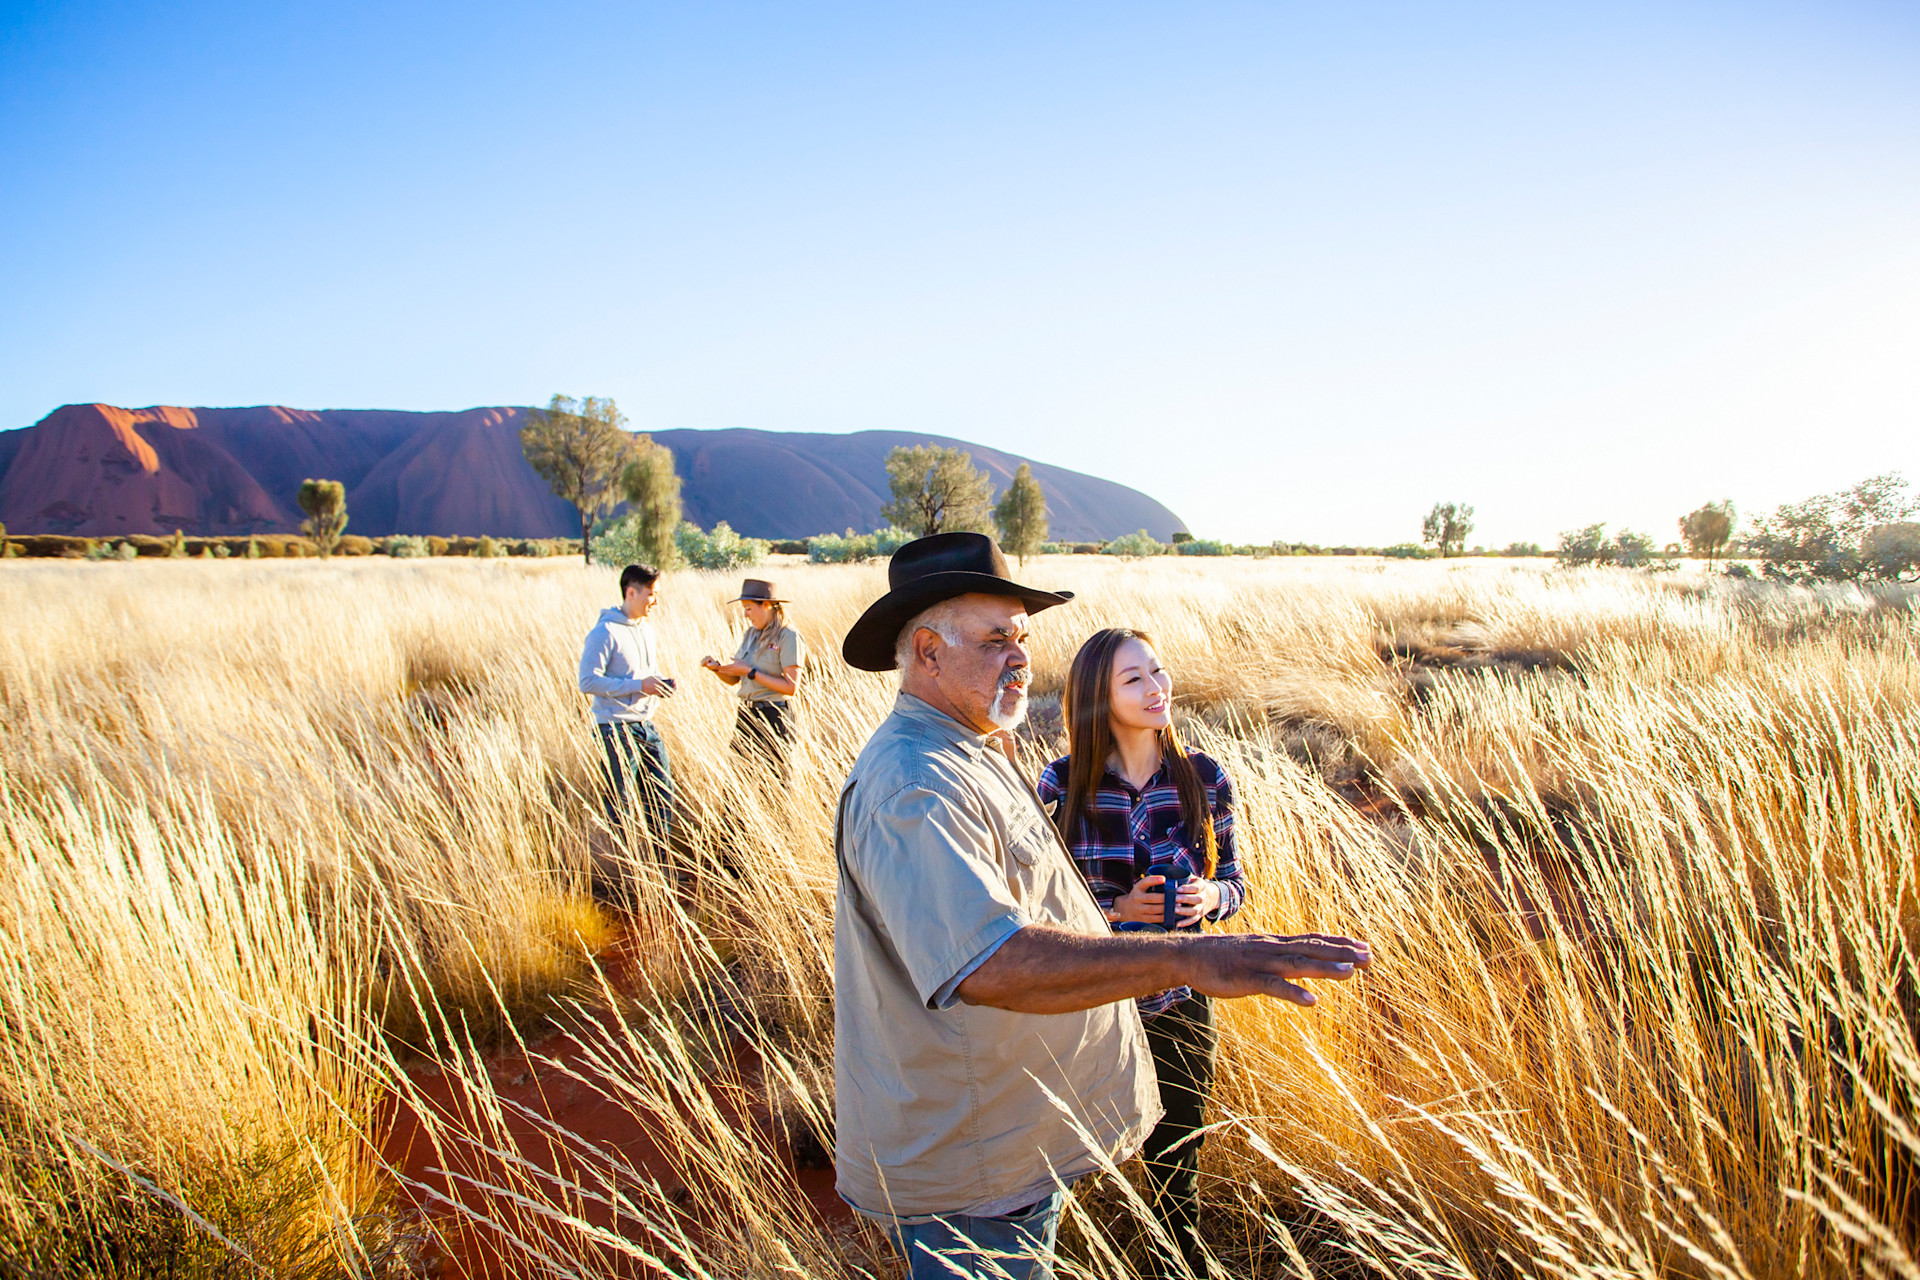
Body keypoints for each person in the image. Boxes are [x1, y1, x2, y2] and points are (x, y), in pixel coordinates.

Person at [833, 532, 1372, 1280]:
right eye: (996, 641)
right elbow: (990, 963)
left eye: (1022, 638)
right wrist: (1186, 956)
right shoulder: (915, 783)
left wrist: (1202, 914)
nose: (1021, 658)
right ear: (928, 652)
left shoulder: (978, 751)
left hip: (1011, 1145)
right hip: (973, 1172)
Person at [1037, 628, 1244, 1278]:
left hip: (1182, 999)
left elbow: (1235, 882)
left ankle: (1178, 1264)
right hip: (1090, 1003)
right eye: (1135, 679)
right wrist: (1117, 912)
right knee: (1066, 1153)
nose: (1157, 689)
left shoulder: (1203, 778)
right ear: (1099, 695)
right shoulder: (1063, 782)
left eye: (1158, 672)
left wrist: (1209, 897)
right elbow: (1040, 903)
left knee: (1176, 1160)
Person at [578, 562, 675, 855]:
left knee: (662, 793)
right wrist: (637, 685)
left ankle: (659, 863)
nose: (655, 600)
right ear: (631, 592)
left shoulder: (647, 631)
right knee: (621, 802)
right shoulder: (604, 632)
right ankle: (623, 868)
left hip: (645, 725)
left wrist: (658, 683)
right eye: (651, 594)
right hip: (614, 729)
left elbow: (645, 673)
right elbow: (587, 681)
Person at [699, 578, 805, 768]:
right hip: (747, 715)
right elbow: (734, 679)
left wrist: (750, 672)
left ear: (766, 605)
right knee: (736, 783)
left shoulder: (788, 636)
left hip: (774, 716)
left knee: (775, 783)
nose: (746, 615)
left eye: (748, 608)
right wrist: (717, 668)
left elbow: (791, 687)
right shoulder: (750, 634)